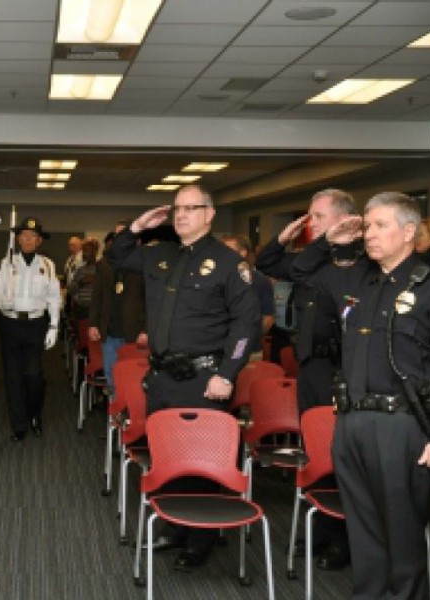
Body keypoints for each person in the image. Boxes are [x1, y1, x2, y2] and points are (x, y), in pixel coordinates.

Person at [289, 191, 430, 599]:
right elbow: (299, 272)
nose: (369, 234)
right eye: (367, 225)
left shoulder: (428, 287)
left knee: (402, 537)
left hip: (401, 426)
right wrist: (331, 236)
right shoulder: (362, 282)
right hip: (352, 423)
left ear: (409, 232)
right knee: (364, 533)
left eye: (380, 225)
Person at [111, 184, 261, 570]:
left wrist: (228, 373)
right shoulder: (159, 254)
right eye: (177, 208)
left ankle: (201, 539)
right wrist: (138, 227)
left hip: (204, 378)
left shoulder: (228, 263)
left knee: (201, 462)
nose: (181, 215)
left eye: (191, 209)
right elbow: (117, 254)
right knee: (167, 458)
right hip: (161, 377)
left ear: (209, 215)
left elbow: (247, 325)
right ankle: (175, 528)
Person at [255, 189, 358, 569]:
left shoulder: (357, 259)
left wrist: (328, 242)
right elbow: (269, 262)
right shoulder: (313, 257)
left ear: (344, 220)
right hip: (312, 367)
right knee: (316, 451)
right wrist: (284, 237)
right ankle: (322, 532)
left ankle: (345, 538)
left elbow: (297, 271)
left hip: (343, 370)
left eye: (317, 216)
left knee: (343, 456)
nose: (311, 224)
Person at [0, 216, 61, 442]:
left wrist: (53, 326)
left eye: (33, 236)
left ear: (39, 241)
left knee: (33, 375)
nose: (28, 239)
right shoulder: (7, 263)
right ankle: (18, 425)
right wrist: (3, 303)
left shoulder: (48, 266)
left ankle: (35, 415)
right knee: (13, 377)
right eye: (24, 235)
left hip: (36, 324)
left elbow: (54, 299)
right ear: (18, 239)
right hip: (11, 324)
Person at [88, 225, 146, 397]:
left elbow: (153, 301)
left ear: (137, 240)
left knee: (134, 381)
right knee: (111, 377)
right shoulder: (105, 264)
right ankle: (114, 420)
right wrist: (93, 324)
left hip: (135, 334)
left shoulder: (145, 265)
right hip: (110, 332)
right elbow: (96, 296)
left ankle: (130, 417)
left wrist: (147, 329)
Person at [220, 234, 275, 338]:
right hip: (217, 345)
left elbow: (267, 319)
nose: (222, 255)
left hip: (249, 345)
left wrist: (250, 338)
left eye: (227, 250)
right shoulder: (216, 278)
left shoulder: (259, 281)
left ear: (243, 253)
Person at [67, 238, 100, 326]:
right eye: (83, 251)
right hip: (81, 310)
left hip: (97, 310)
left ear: (95, 252)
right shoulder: (80, 270)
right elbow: (71, 290)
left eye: (87, 251)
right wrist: (81, 283)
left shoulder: (101, 270)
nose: (84, 254)